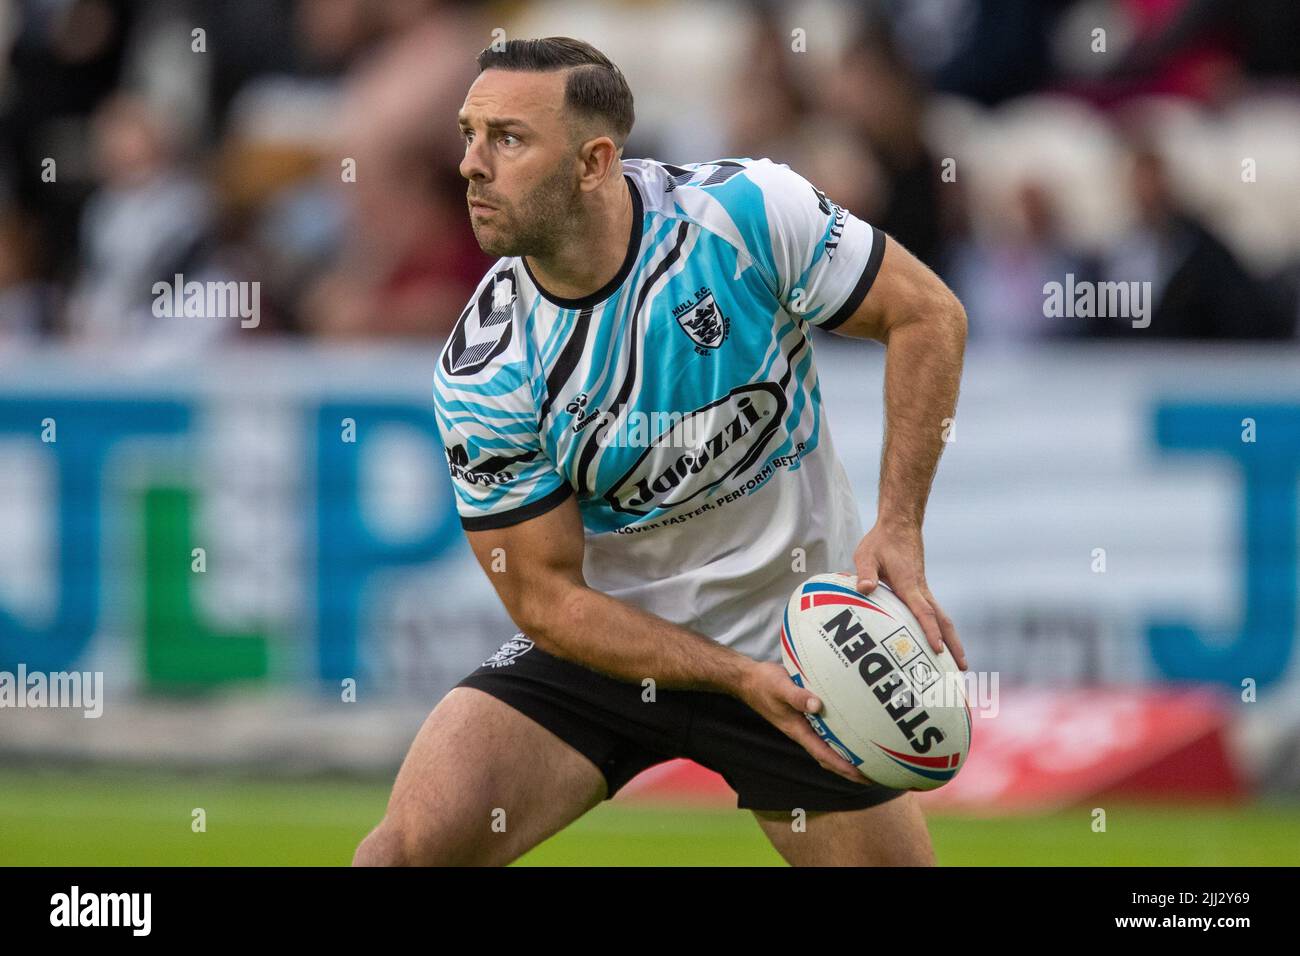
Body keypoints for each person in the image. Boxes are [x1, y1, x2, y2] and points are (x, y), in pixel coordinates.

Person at [353, 36, 968, 867]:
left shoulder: (746, 212)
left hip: (796, 643)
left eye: (507, 138)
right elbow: (545, 602)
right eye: (468, 133)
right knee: (401, 857)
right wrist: (721, 674)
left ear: (594, 161)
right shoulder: (485, 369)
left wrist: (900, 527)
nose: (469, 164)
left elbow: (928, 315)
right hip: (608, 645)